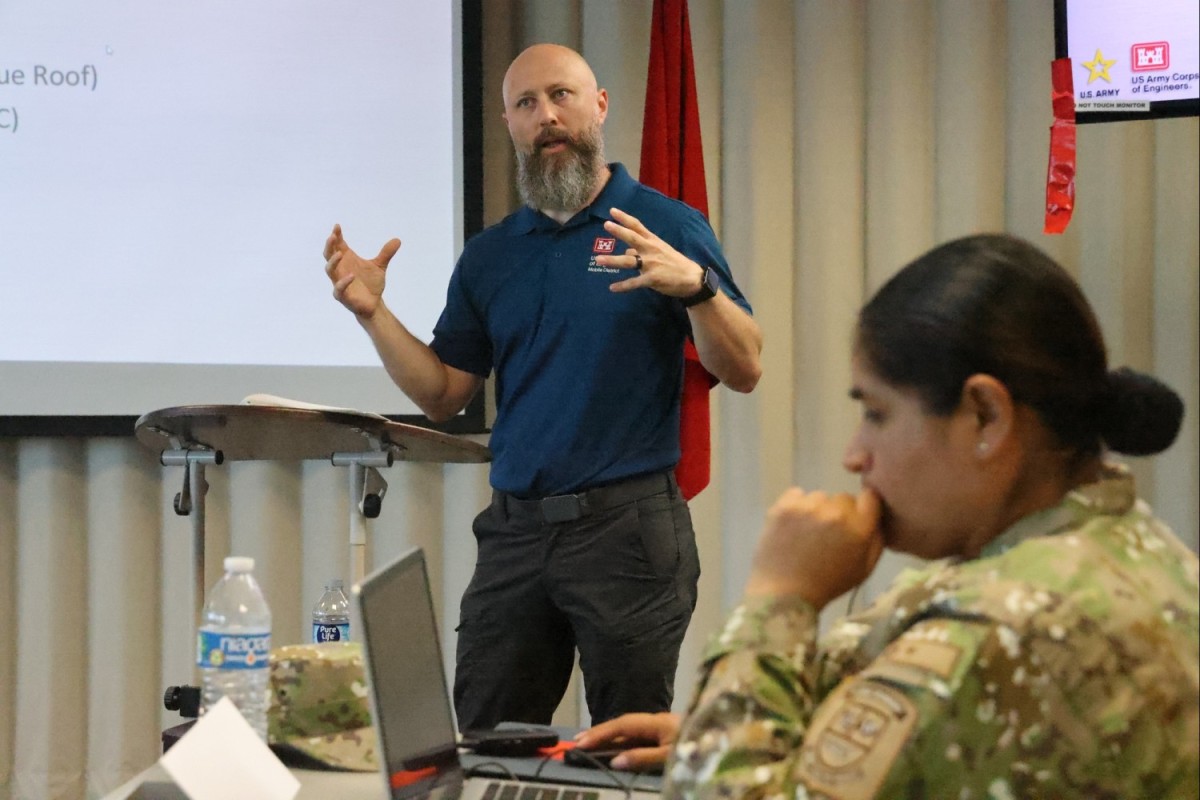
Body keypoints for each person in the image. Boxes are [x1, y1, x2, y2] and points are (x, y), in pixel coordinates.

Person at [576, 234, 1198, 798]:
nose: (855, 457)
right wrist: (722, 735)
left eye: (877, 413)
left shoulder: (1005, 628)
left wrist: (779, 600)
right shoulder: (1131, 549)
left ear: (985, 416)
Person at [323, 43, 762, 730]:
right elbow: (444, 394)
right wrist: (374, 314)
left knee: (628, 751)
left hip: (629, 533)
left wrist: (699, 289)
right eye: (527, 104)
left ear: (600, 106)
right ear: (509, 123)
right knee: (481, 740)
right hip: (516, 534)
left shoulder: (663, 226)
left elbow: (744, 368)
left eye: (561, 96)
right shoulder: (492, 255)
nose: (547, 116)